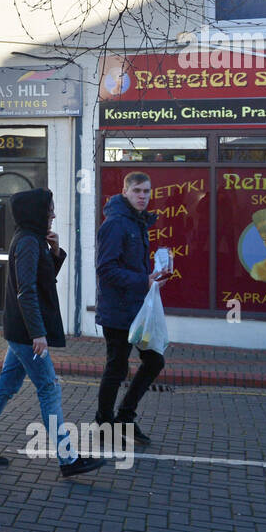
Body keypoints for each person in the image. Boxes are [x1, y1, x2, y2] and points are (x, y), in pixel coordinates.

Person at [0, 189, 106, 477]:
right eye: (49, 210)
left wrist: (54, 253)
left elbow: (42, 280)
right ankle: (68, 459)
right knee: (49, 388)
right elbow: (26, 290)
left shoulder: (32, 239)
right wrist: (37, 334)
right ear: (36, 212)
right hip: (26, 333)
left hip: (20, 330)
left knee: (7, 385)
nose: (53, 214)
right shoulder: (28, 241)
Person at [94, 172, 171, 445]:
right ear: (125, 191)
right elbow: (105, 269)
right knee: (116, 367)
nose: (143, 196)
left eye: (147, 191)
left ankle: (125, 417)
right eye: (137, 190)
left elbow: (130, 266)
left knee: (154, 360)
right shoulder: (116, 224)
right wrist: (143, 280)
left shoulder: (137, 222)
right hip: (117, 311)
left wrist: (154, 277)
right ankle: (104, 424)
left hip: (137, 310)